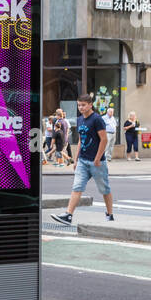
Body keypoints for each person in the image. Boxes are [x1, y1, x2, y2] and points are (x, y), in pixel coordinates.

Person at [51, 93, 114, 225]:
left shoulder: (97, 119)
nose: (81, 107)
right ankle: (68, 215)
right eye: (79, 105)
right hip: (83, 161)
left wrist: (97, 158)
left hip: (97, 162)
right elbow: (81, 139)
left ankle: (110, 214)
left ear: (90, 105)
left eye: (83, 105)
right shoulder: (80, 120)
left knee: (104, 189)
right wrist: (76, 158)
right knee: (77, 187)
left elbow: (104, 139)